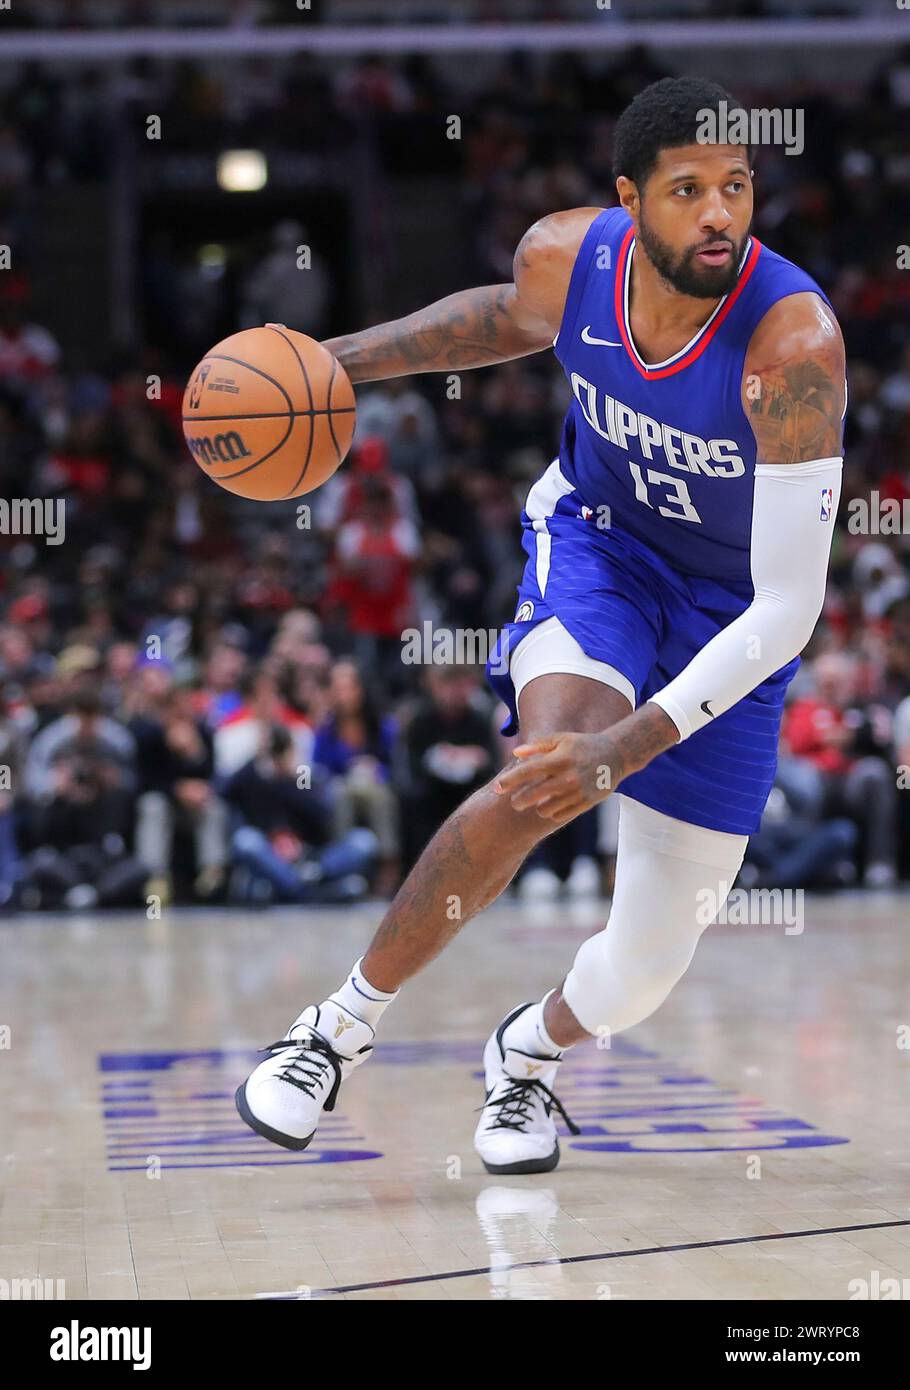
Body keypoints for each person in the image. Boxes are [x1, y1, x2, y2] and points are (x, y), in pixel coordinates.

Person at [236, 78, 847, 1175]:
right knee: (543, 770)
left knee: (644, 970)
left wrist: (633, 745)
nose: (719, 213)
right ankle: (334, 1029)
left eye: (737, 188)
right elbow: (490, 321)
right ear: (630, 198)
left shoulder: (792, 344)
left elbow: (789, 607)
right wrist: (335, 363)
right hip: (602, 547)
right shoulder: (569, 258)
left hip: (736, 618)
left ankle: (527, 1052)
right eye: (688, 190)